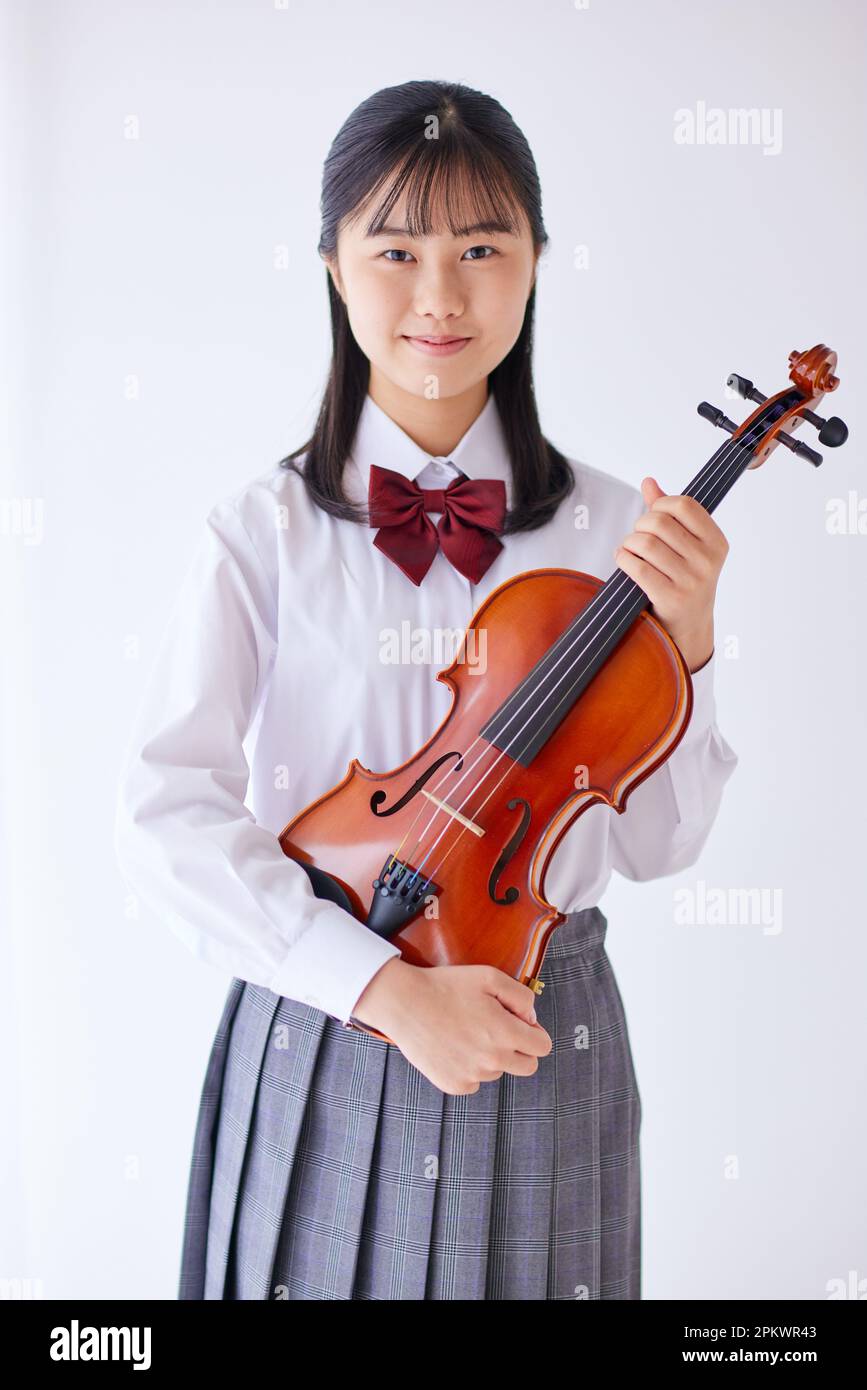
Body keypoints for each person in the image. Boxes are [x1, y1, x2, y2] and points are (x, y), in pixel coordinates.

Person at [113, 79, 738, 1301]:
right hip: (320, 1014)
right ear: (336, 268)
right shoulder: (259, 530)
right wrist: (383, 988)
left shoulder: (627, 530)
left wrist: (692, 648)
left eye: (482, 247)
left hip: (537, 1028)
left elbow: (660, 844)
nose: (439, 295)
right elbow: (164, 814)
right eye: (395, 249)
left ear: (538, 266)